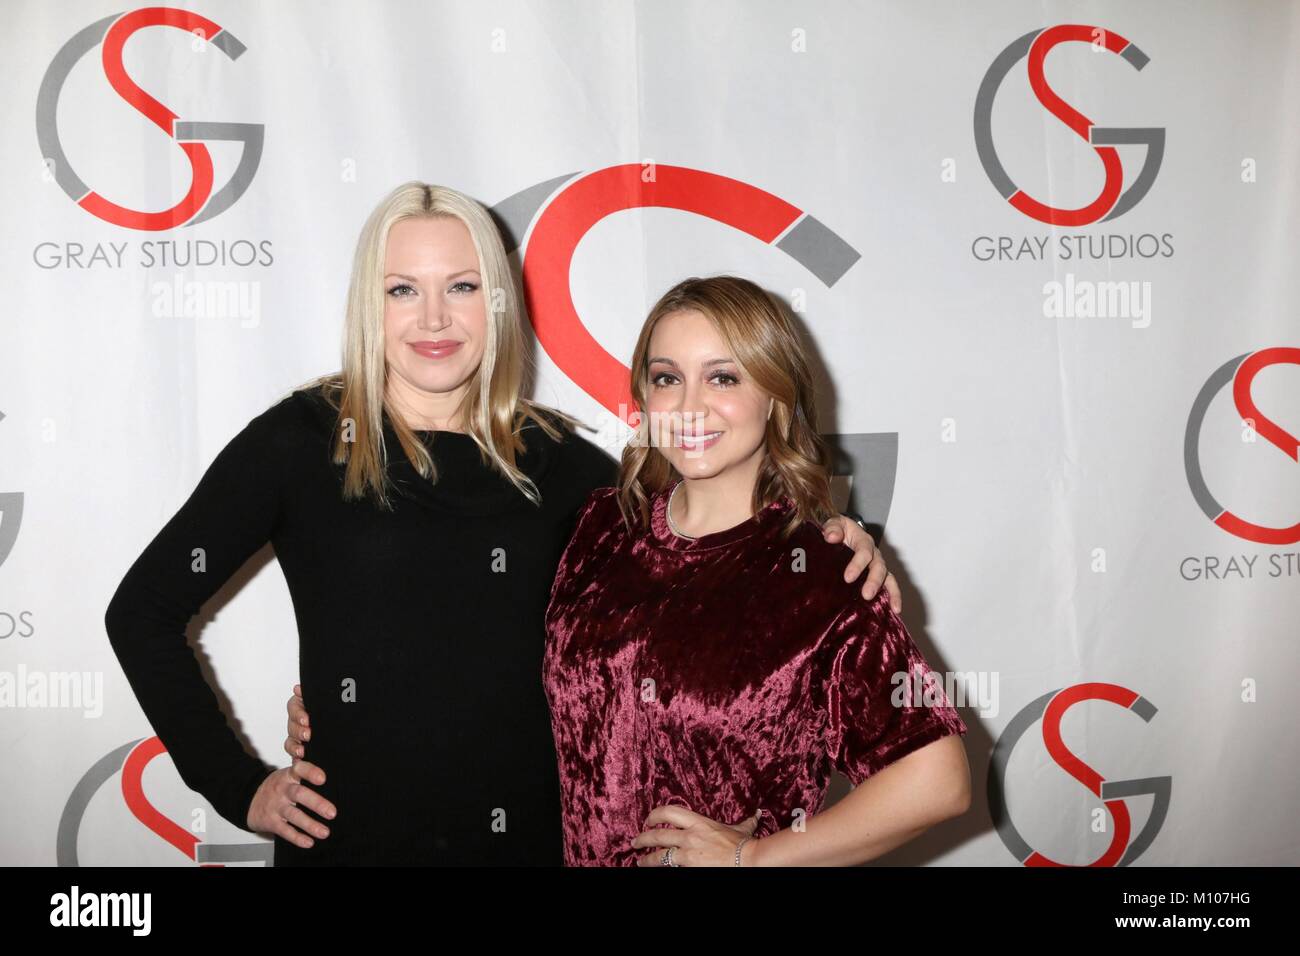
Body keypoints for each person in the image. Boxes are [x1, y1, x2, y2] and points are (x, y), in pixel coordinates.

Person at [104, 182, 893, 866]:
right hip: (352, 851)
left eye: (465, 286)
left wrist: (832, 538)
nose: (434, 318)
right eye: (401, 289)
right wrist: (239, 787)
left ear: (500, 300)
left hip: (531, 851)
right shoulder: (301, 444)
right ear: (367, 305)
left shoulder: (566, 468)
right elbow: (141, 613)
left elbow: (709, 534)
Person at [542, 276, 971, 866]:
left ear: (775, 397)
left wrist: (756, 857)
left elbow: (937, 779)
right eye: (668, 378)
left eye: (723, 377)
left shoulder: (823, 575)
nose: (690, 406)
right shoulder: (600, 527)